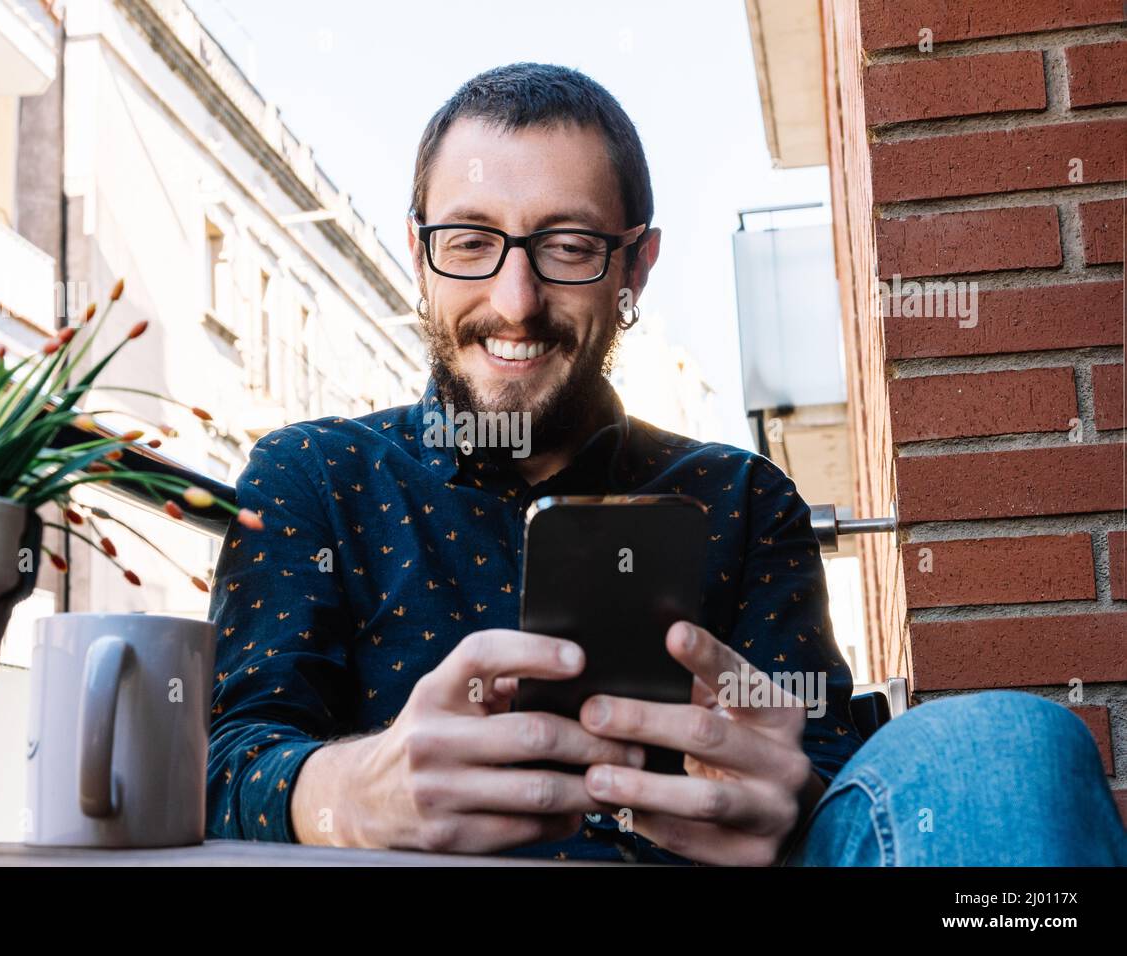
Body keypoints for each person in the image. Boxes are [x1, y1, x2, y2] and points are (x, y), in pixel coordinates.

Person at [206, 63, 1127, 865]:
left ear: (635, 268)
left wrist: (793, 804)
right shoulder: (315, 475)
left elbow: (851, 788)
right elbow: (218, 762)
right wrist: (354, 791)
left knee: (1012, 743)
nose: (515, 300)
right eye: (472, 243)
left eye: (568, 247)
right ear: (419, 256)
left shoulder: (740, 497)